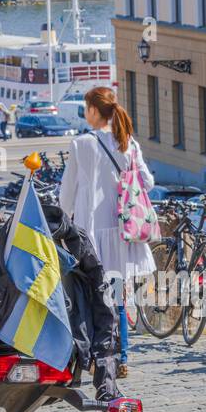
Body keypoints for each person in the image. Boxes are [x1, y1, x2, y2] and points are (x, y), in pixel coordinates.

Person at [59, 86, 155, 380]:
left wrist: (63, 219)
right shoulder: (128, 144)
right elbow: (148, 183)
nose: (85, 113)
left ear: (94, 111)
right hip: (122, 233)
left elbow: (66, 196)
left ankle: (92, 358)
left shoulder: (81, 145)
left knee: (89, 296)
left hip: (91, 234)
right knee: (117, 297)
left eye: (87, 108)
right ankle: (121, 357)